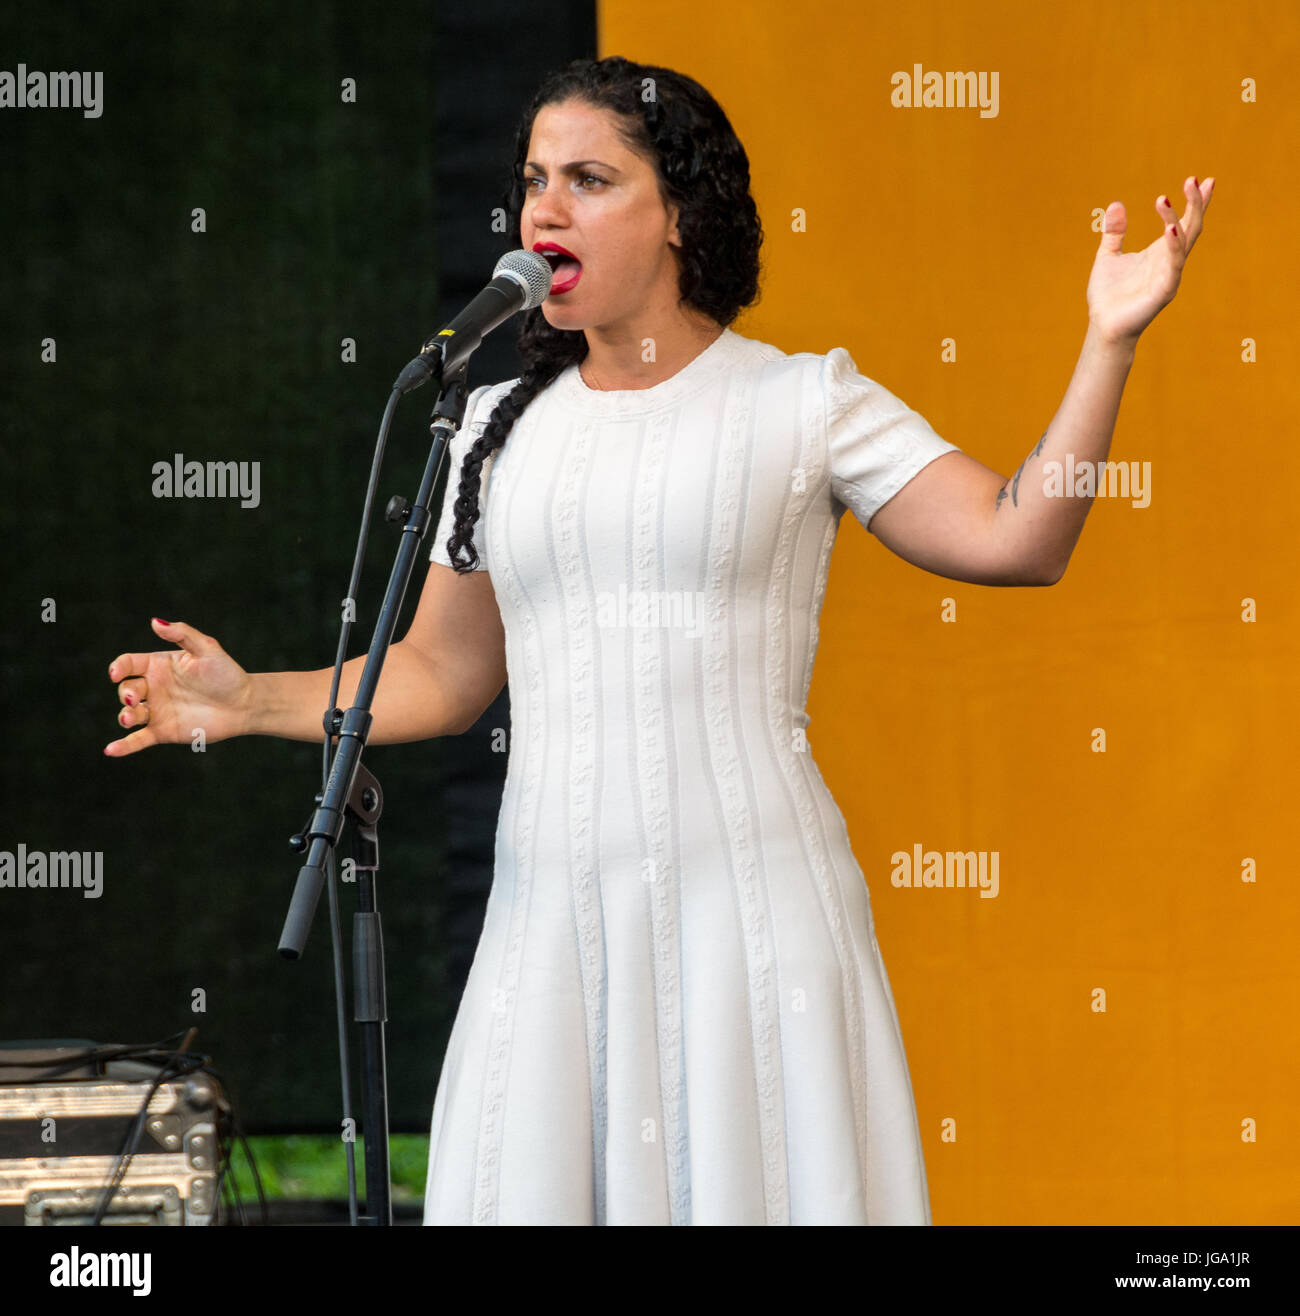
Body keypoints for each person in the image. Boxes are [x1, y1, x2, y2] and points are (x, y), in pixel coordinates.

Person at [105, 56, 1212, 1225]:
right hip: (552, 928)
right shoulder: (491, 423)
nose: (544, 208)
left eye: (589, 178)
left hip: (753, 922)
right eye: (533, 179)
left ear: (679, 210)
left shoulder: (801, 402)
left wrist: (1109, 343)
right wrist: (242, 700)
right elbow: (440, 672)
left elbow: (1019, 535)